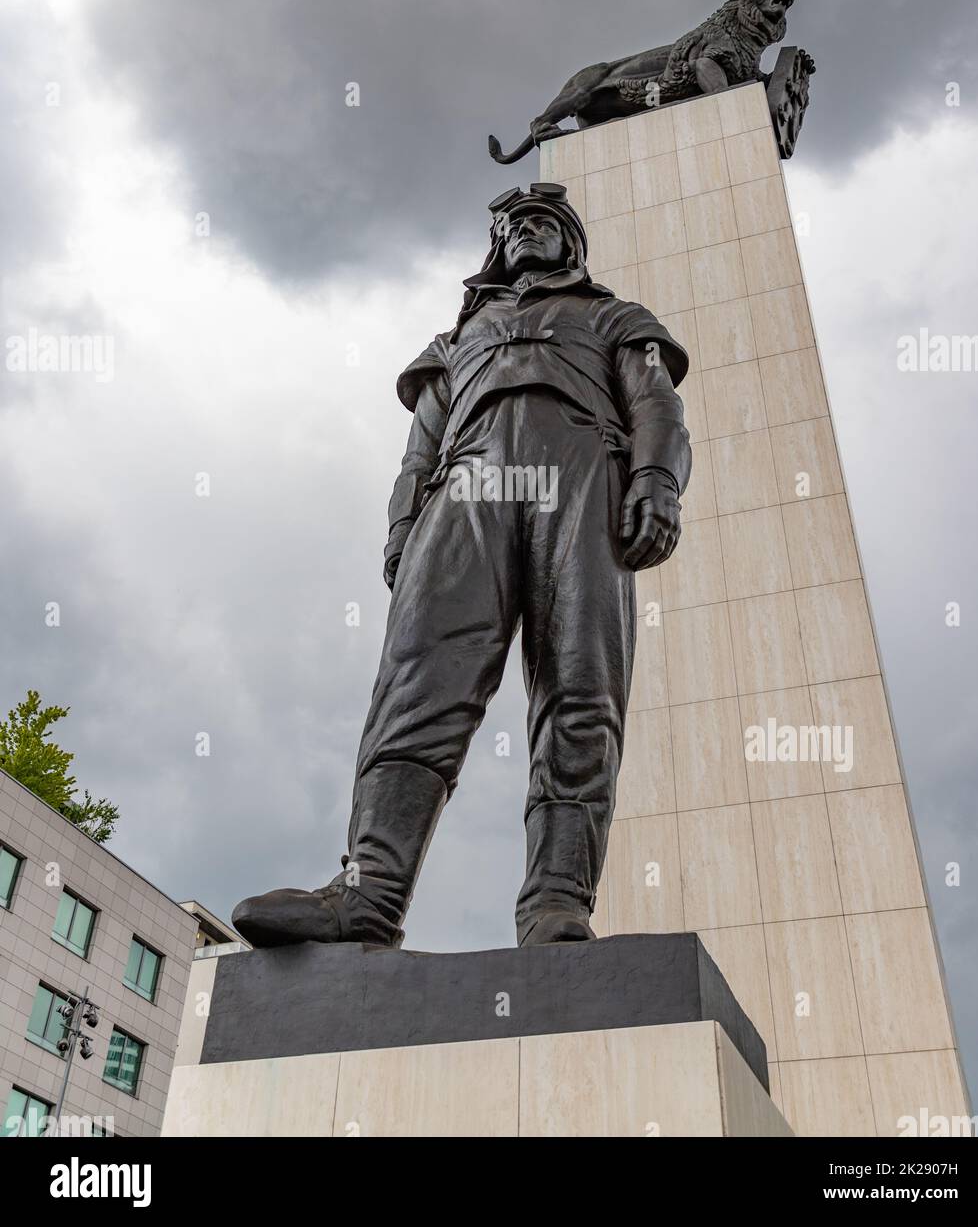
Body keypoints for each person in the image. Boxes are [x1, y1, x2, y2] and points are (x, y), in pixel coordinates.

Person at [233, 181, 692, 949]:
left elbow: (657, 405)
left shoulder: (613, 318)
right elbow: (420, 448)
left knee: (581, 687)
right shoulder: (456, 340)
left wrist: (657, 478)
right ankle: (368, 894)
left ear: (571, 243)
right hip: (467, 485)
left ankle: (555, 901)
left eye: (542, 223)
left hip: (579, 475)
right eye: (512, 225)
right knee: (418, 681)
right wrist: (402, 529)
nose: (524, 232)